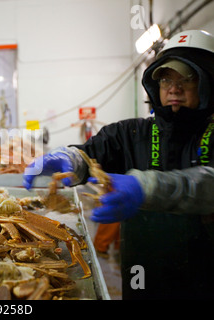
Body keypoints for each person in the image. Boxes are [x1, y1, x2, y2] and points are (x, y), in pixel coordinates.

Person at [23, 30, 214, 299]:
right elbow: (91, 154)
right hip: (143, 271)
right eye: (165, 79)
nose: (173, 88)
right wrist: (71, 159)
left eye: (187, 78)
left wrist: (146, 187)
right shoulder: (131, 133)